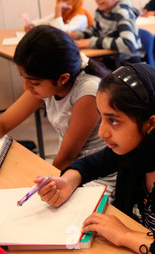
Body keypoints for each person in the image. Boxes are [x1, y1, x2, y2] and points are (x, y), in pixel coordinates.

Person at [37, 63, 155, 254]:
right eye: (102, 118)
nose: (102, 132)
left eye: (113, 120)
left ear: (151, 123)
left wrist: (125, 235)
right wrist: (68, 181)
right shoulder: (140, 146)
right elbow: (92, 164)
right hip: (145, 244)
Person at [0, 25, 116, 194]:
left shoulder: (88, 92)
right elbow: (3, 122)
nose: (26, 86)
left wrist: (44, 185)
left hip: (96, 176)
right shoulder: (46, 83)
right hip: (71, 169)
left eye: (33, 82)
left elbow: (67, 157)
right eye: (24, 79)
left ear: (63, 78)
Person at [70, 0, 143, 67]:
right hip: (109, 60)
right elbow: (95, 32)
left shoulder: (122, 13)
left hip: (128, 64)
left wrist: (91, 42)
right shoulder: (101, 11)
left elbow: (128, 44)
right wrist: (76, 35)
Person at [25, 0, 94, 33]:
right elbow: (43, 21)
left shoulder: (80, 17)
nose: (60, 2)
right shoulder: (64, 14)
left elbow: (61, 32)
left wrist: (58, 9)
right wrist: (32, 25)